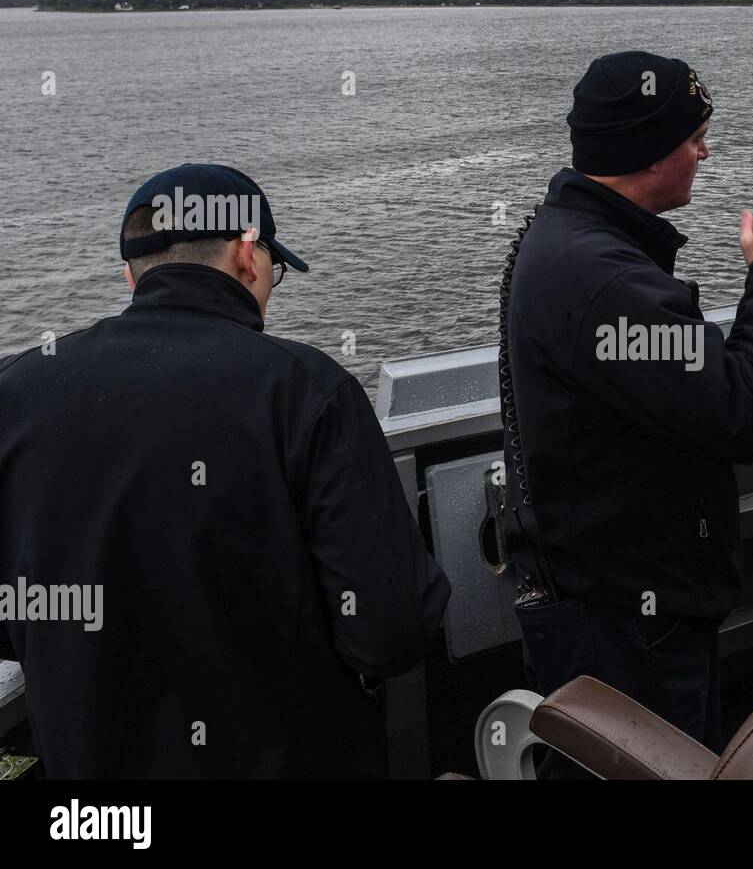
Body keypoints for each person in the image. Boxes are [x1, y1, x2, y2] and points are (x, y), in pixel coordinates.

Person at [0, 163, 450, 777]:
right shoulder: (304, 389)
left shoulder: (17, 391)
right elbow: (392, 631)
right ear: (246, 254)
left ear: (130, 276)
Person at [500, 51, 753, 775]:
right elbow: (734, 411)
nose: (705, 150)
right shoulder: (606, 279)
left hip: (608, 598)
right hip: (628, 628)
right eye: (694, 135)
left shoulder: (571, 241)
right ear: (648, 151)